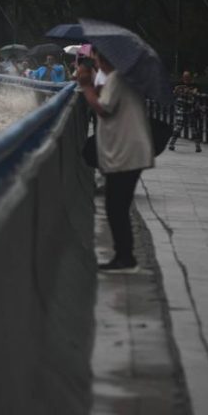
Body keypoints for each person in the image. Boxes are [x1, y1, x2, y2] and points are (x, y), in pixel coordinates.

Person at [77, 51, 154, 272]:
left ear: (102, 61)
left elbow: (103, 108)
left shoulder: (117, 78)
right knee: (117, 204)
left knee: (116, 205)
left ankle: (125, 257)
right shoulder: (122, 78)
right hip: (130, 151)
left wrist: (86, 86)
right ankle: (124, 255)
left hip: (127, 153)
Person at [168, 71, 202, 152]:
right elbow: (174, 93)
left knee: (194, 127)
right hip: (181, 107)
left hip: (190, 107)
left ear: (190, 78)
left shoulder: (194, 85)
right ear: (182, 77)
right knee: (179, 126)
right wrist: (178, 90)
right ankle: (171, 144)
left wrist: (188, 91)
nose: (186, 78)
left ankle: (198, 146)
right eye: (184, 77)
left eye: (187, 77)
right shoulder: (178, 84)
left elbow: (195, 92)